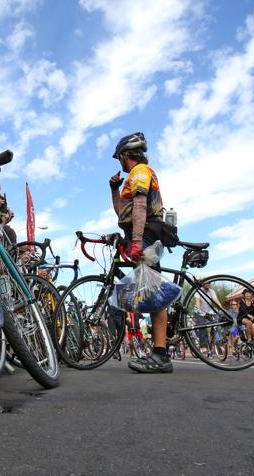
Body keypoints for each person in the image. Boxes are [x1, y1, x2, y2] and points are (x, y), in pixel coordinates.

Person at [109, 132, 171, 373]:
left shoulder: (140, 172)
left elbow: (139, 206)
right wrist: (114, 190)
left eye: (120, 158)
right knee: (150, 290)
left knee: (153, 292)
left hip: (145, 234)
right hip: (139, 233)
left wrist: (136, 241)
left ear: (126, 155)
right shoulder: (131, 178)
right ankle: (159, 351)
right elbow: (122, 212)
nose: (120, 163)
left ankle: (160, 355)